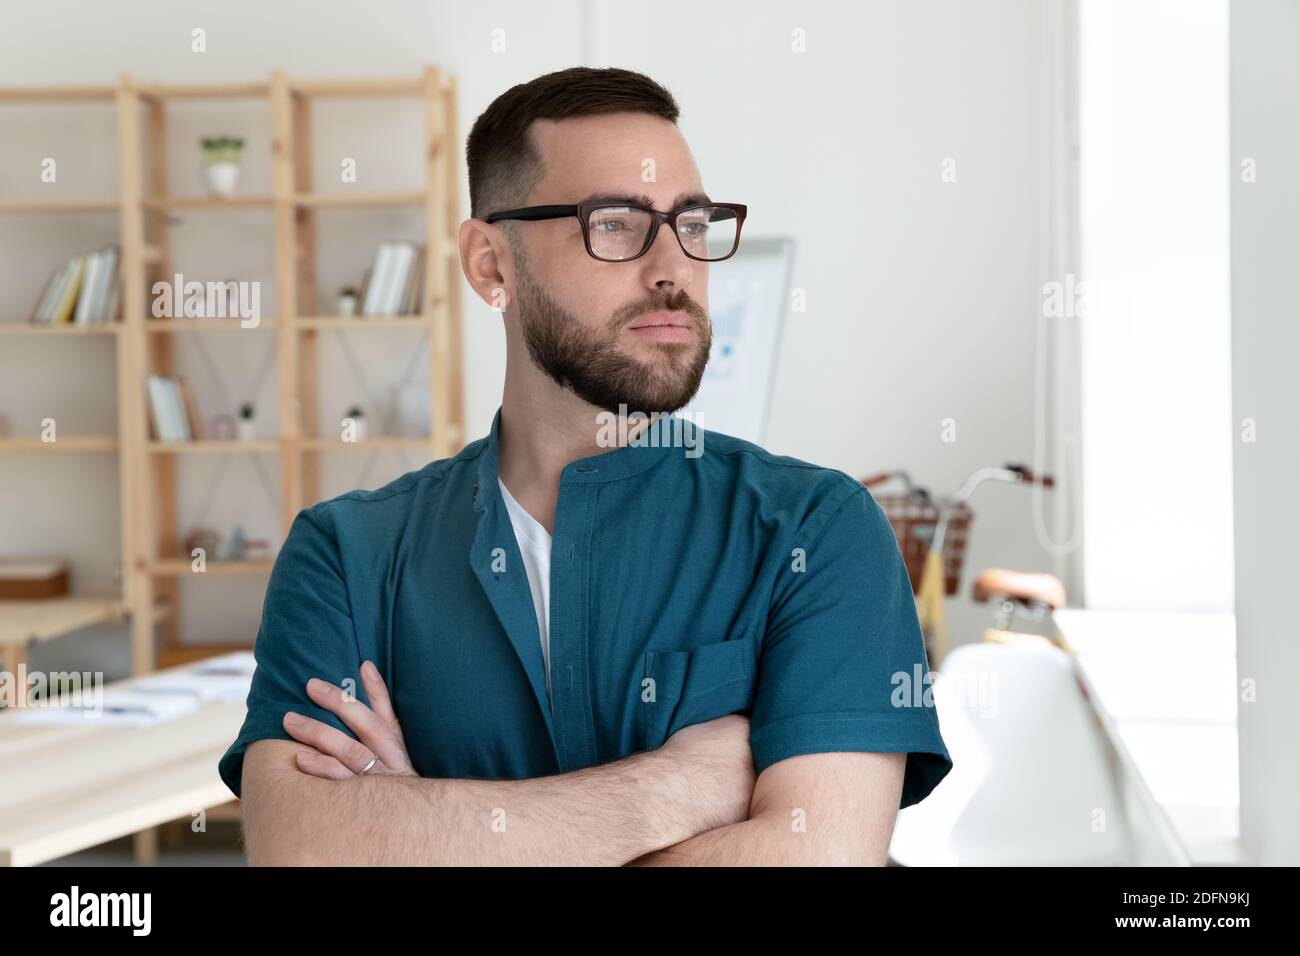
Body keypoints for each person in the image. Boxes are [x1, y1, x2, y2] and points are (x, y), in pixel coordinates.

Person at [218, 66, 951, 866]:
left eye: (693, 223)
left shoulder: (818, 530)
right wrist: (672, 790)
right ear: (492, 266)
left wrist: (416, 825)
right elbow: (298, 850)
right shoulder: (346, 554)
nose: (673, 267)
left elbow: (813, 860)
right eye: (615, 223)